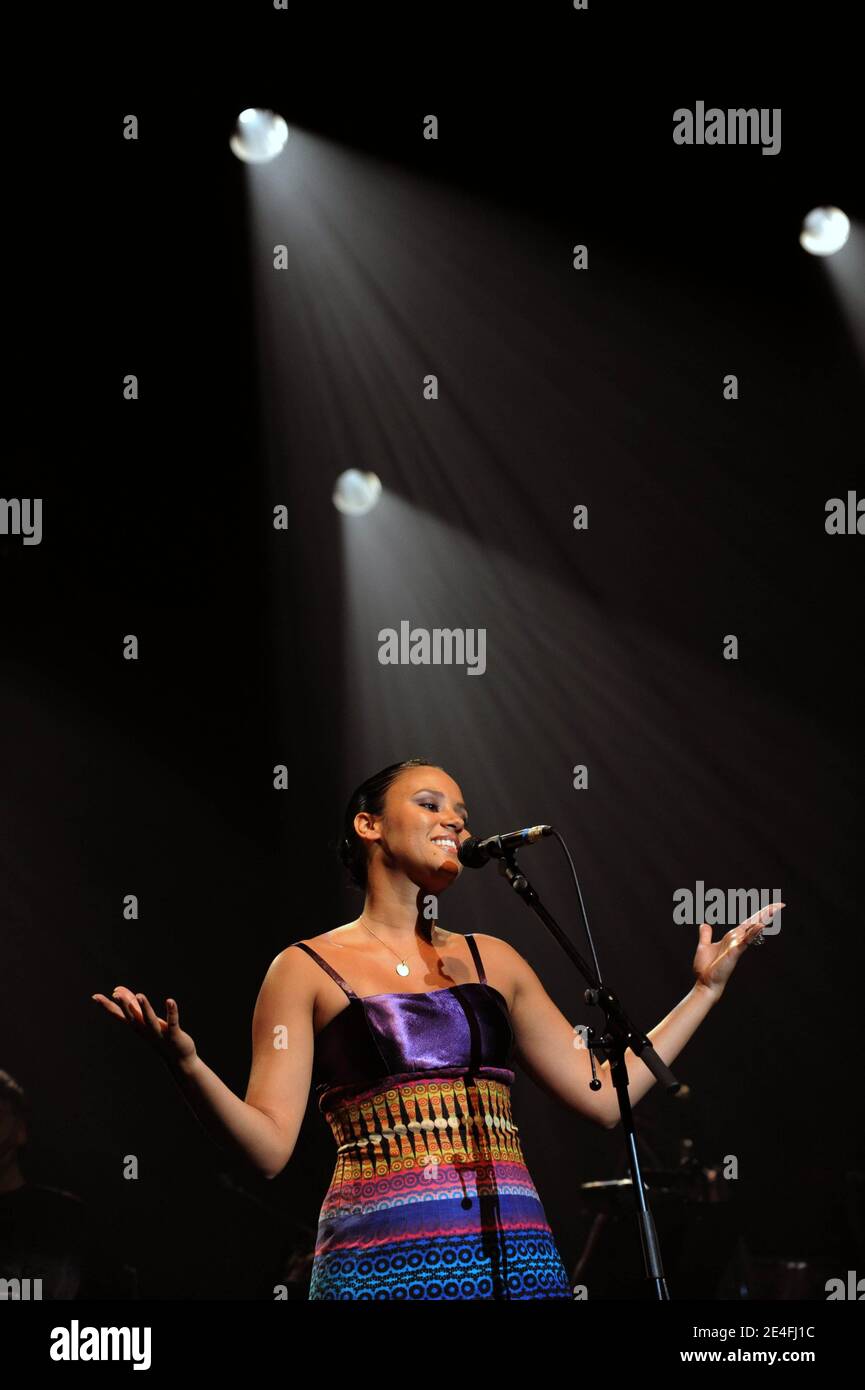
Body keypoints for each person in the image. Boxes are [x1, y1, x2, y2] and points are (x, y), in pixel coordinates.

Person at [92, 758, 782, 1300]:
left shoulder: (493, 958)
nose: (454, 821)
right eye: (429, 804)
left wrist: (702, 991)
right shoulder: (303, 968)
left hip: (518, 1256)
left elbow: (609, 1095)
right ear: (368, 826)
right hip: (380, 1260)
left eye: (460, 812)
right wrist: (185, 1065)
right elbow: (269, 1149)